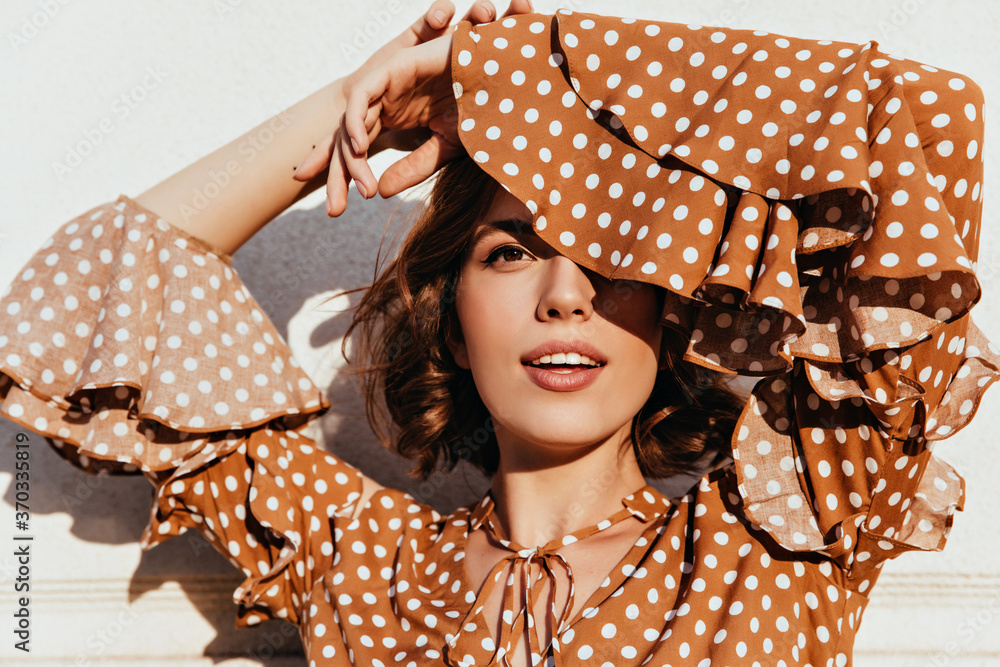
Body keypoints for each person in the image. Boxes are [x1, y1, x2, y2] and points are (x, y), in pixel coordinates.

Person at [1, 1, 997, 665]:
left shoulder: (782, 537)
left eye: (612, 262)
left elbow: (918, 115)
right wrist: (367, 101)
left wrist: (532, 73)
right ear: (453, 310)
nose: (565, 296)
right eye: (511, 252)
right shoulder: (361, 558)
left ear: (673, 308)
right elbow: (105, 272)